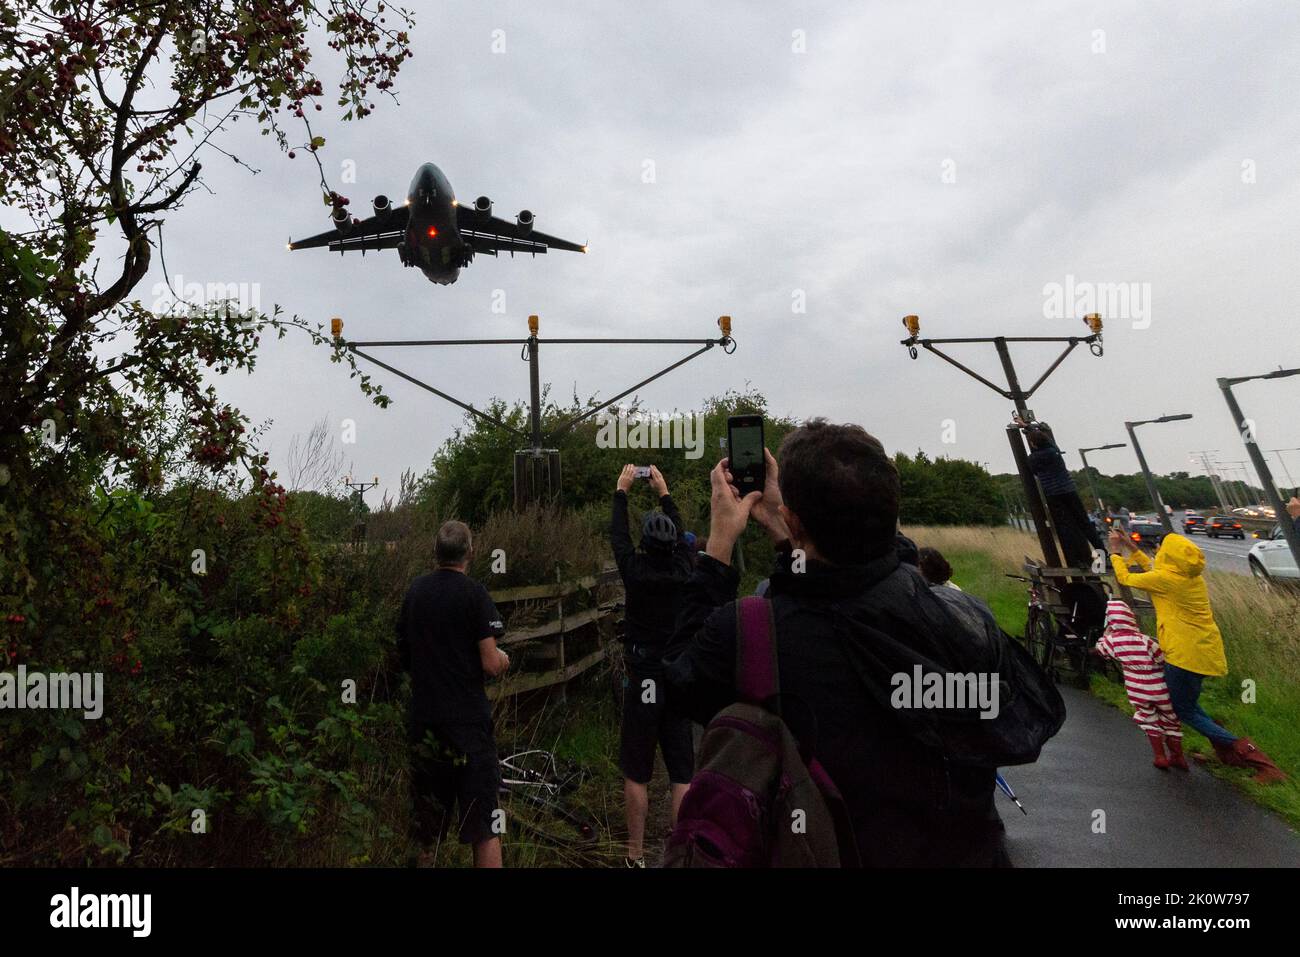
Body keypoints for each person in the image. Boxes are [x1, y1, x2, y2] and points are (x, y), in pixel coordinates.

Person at [665, 420, 1063, 867]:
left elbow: (679, 681)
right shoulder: (962, 619)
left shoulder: (754, 631)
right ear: (890, 512)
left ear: (795, 518)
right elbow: (865, 581)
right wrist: (791, 531)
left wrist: (718, 547)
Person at [1108, 528, 1285, 783]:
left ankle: (1255, 758)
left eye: (1162, 550)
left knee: (1183, 709)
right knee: (1189, 704)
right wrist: (1131, 548)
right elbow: (1151, 568)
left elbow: (1125, 578)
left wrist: (1115, 550)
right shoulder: (1187, 576)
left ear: (1170, 557)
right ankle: (1227, 754)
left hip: (1184, 654)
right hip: (1202, 650)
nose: (1157, 552)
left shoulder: (1167, 580)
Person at [397, 520, 510, 868]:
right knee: (484, 824)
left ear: (435, 553)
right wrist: (505, 659)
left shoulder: (415, 592)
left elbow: (403, 655)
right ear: (470, 553)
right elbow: (490, 663)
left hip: (425, 723)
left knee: (426, 825)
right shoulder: (474, 594)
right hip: (467, 725)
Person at [610, 464, 696, 868]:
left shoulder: (634, 571)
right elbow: (681, 537)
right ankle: (679, 855)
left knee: (637, 770)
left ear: (644, 545)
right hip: (677, 677)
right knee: (681, 772)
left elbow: (618, 538)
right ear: (674, 545)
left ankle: (634, 856)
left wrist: (621, 492)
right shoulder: (684, 570)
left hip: (643, 674)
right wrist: (665, 491)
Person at [1093, 600, 1185, 771]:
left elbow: (1100, 650)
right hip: (1159, 687)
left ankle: (1159, 756)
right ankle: (1177, 756)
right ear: (1130, 618)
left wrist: (1107, 633)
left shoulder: (1112, 642)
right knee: (1171, 719)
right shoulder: (1145, 641)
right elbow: (1162, 659)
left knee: (1148, 718)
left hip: (1136, 690)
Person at [1012, 415, 1101, 569]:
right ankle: (1104, 555)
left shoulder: (1033, 458)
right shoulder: (1054, 451)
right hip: (1069, 489)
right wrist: (1028, 427)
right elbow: (1047, 441)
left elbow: (1033, 472)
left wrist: (1025, 428)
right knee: (1085, 524)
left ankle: (1078, 561)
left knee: (1065, 528)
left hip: (1053, 495)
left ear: (1032, 444)